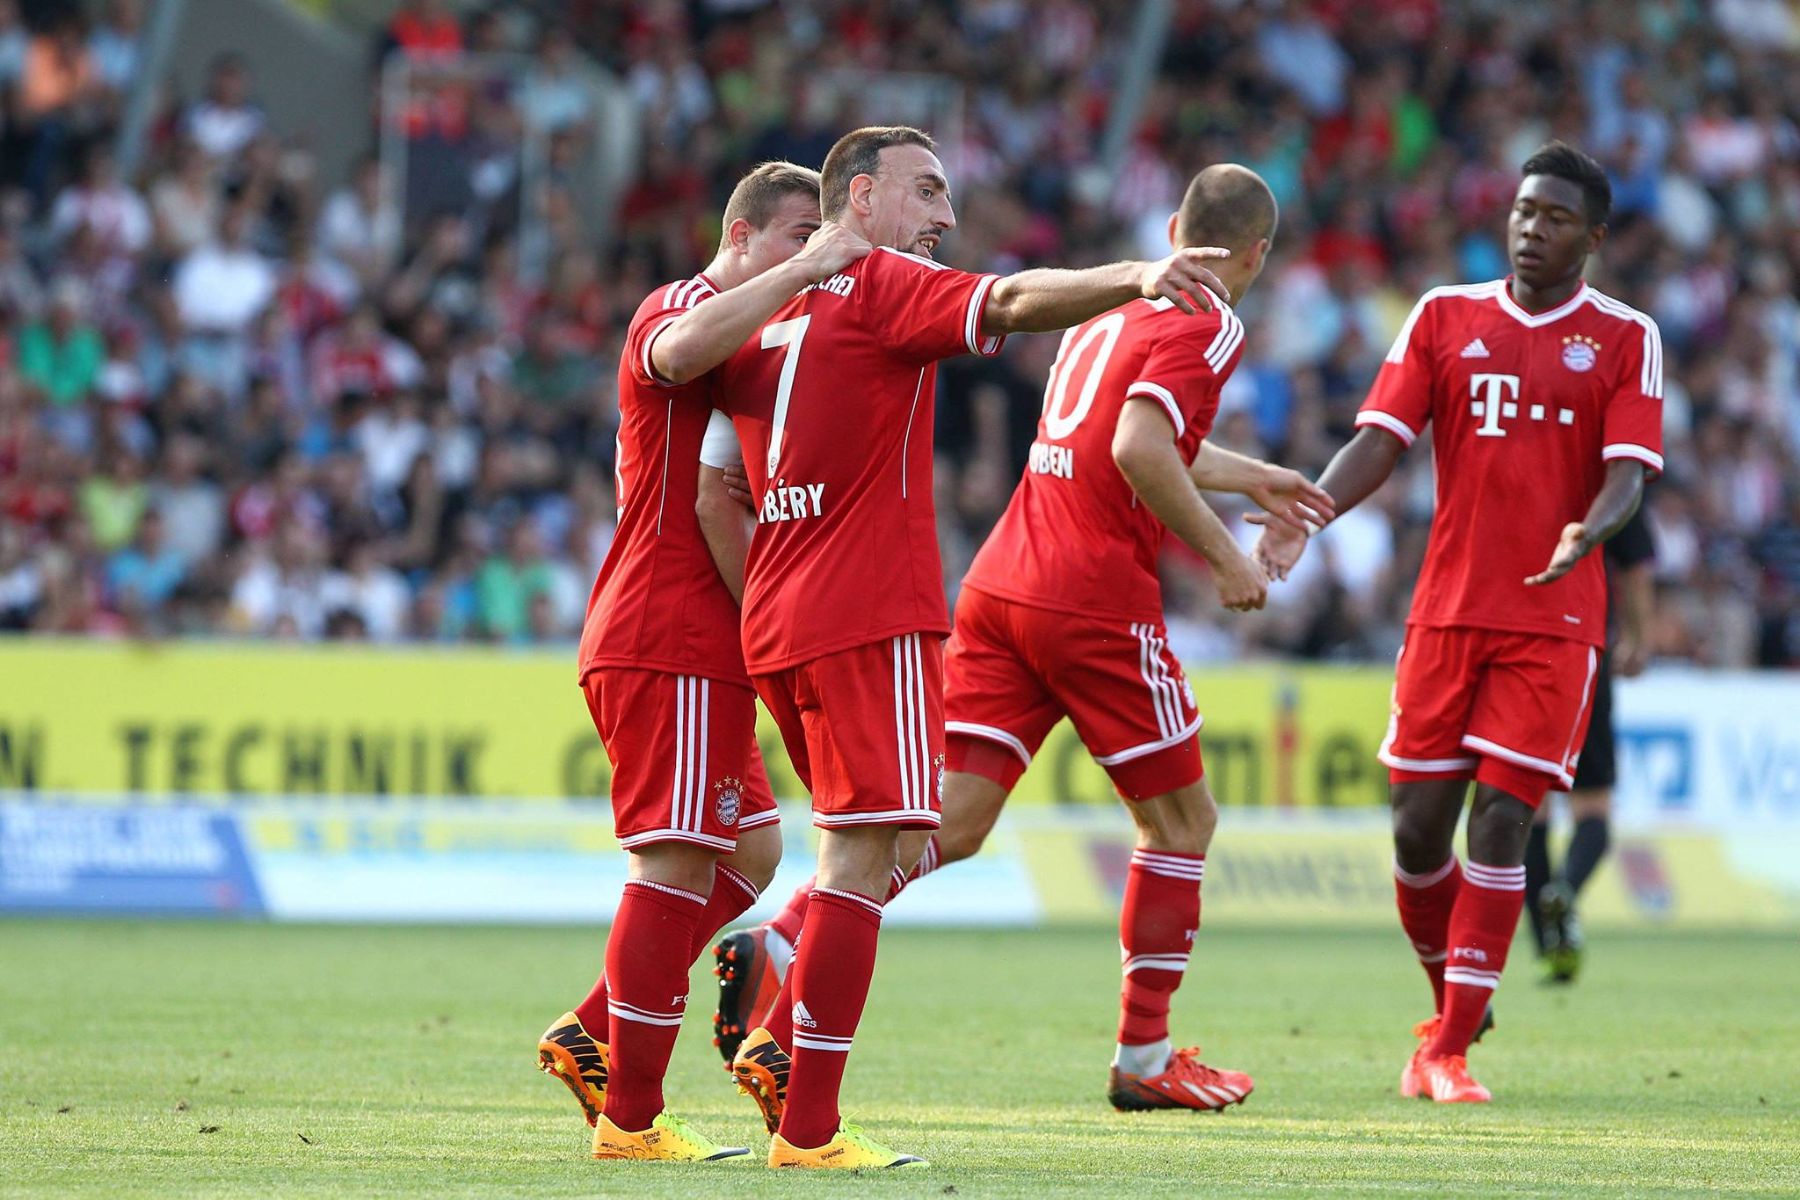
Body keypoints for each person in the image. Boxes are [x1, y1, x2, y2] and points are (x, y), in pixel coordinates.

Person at [713, 164, 1334, 1115]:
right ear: (1257, 254)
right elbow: (1136, 449)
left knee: (946, 826)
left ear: (1175, 226)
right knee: (1183, 822)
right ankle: (1145, 1055)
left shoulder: (1104, 317)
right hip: (1094, 599)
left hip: (1006, 584)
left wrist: (1254, 477)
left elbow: (1121, 433)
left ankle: (787, 941)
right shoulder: (1210, 319)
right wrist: (1225, 556)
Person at [1253, 142, 1664, 1103]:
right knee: (1414, 829)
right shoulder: (1445, 316)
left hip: (1556, 623)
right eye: (1524, 210)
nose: (1531, 228)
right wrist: (1306, 517)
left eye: (1556, 218)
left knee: (1506, 819)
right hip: (1446, 614)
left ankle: (1448, 1051)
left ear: (1592, 239)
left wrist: (1586, 530)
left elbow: (1630, 476)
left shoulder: (1624, 336)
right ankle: (1453, 1006)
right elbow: (1379, 441)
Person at [533, 160, 873, 1164]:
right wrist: (815, 266)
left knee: (755, 853)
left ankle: (596, 1029)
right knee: (676, 859)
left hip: (712, 637)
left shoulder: (753, 343)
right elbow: (677, 357)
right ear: (743, 233)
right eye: (797, 233)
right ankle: (630, 1119)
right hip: (669, 628)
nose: (813, 251)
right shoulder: (684, 305)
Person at [1525, 504, 1655, 982]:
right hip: (1586, 650)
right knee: (1594, 808)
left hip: (1521, 652)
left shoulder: (1531, 470)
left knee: (1526, 807)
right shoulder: (1613, 485)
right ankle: (1565, 889)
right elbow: (1637, 564)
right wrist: (1639, 638)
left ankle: (1548, 944)